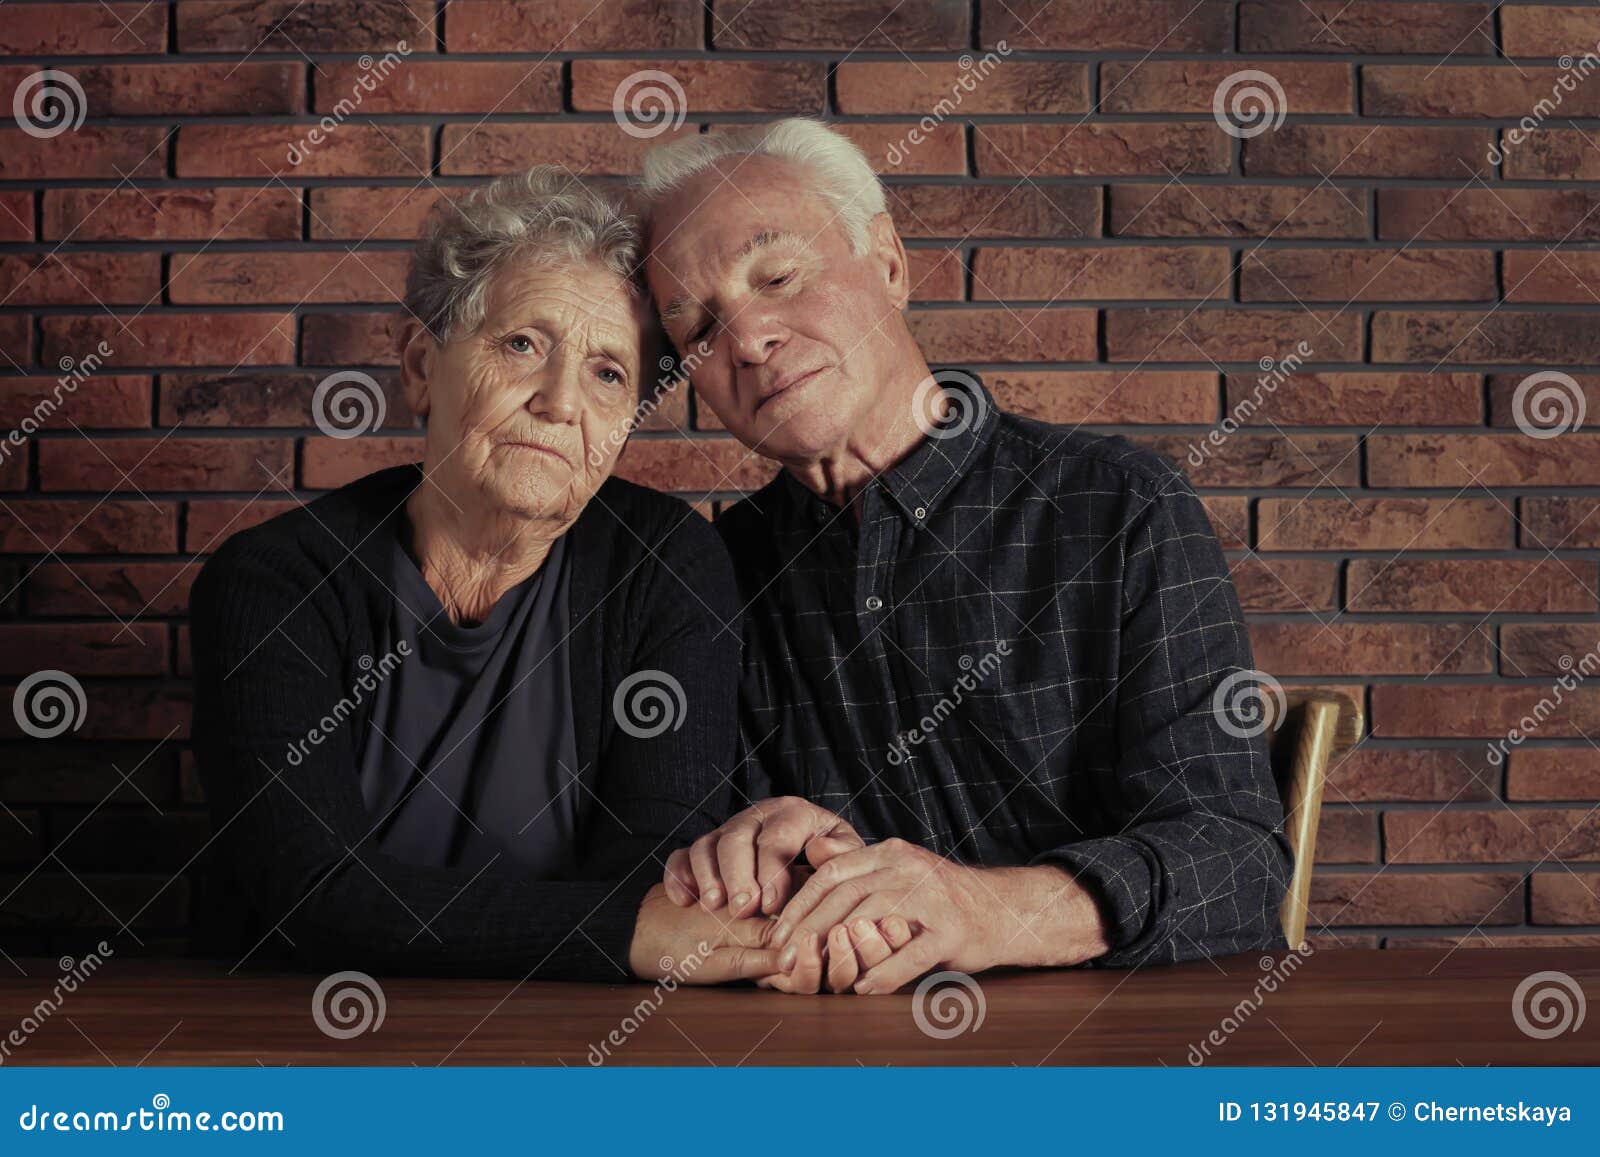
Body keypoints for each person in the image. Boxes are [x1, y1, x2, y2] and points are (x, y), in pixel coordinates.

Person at [638, 119, 1295, 994]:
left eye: (780, 276)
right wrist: (763, 853)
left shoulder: (1118, 507)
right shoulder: (715, 572)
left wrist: (987, 907)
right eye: (700, 329)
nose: (750, 339)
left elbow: (1237, 863)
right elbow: (695, 881)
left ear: (891, 263)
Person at [187, 166, 835, 987]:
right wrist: (615, 931)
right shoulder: (274, 584)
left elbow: (658, 873)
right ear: (422, 365)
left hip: (579, 1043)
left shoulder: (666, 562)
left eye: (608, 373)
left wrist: (630, 922)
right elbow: (312, 894)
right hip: (288, 1044)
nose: (561, 401)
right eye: (523, 344)